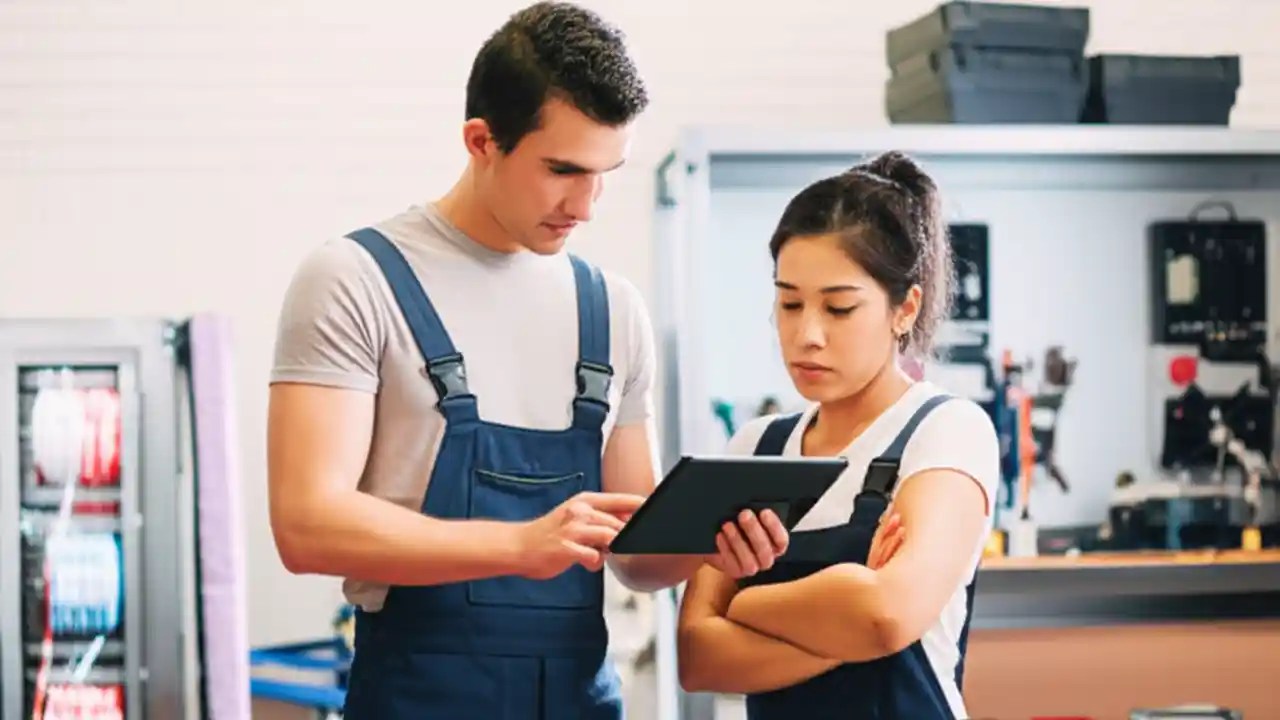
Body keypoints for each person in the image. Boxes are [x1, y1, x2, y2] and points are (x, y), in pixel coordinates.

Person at [264, 3, 787, 718]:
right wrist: (517, 544)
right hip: (417, 699)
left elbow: (634, 555)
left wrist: (712, 546)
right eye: (562, 170)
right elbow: (306, 524)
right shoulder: (354, 280)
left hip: (580, 700)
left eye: (606, 172)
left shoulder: (612, 312)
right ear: (481, 141)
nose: (586, 204)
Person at [675, 151, 1001, 720]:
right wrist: (847, 608)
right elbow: (698, 657)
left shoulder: (948, 431)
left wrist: (745, 604)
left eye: (840, 308)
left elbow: (885, 616)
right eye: (789, 302)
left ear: (905, 309)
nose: (808, 335)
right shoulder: (755, 449)